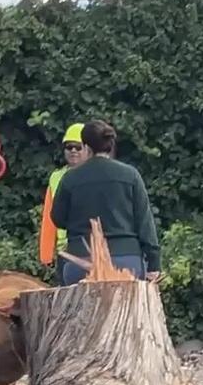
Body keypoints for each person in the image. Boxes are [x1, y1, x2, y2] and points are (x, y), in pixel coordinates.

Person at [51, 120, 161, 285]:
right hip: (127, 261)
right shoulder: (130, 175)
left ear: (86, 147)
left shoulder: (70, 178)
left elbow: (58, 219)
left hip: (80, 261)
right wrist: (154, 264)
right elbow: (145, 223)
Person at [38, 122, 89, 283]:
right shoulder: (56, 177)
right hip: (65, 251)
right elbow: (49, 217)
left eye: (78, 147)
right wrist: (46, 254)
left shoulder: (97, 174)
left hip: (92, 247)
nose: (73, 150)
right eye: (69, 146)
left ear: (88, 149)